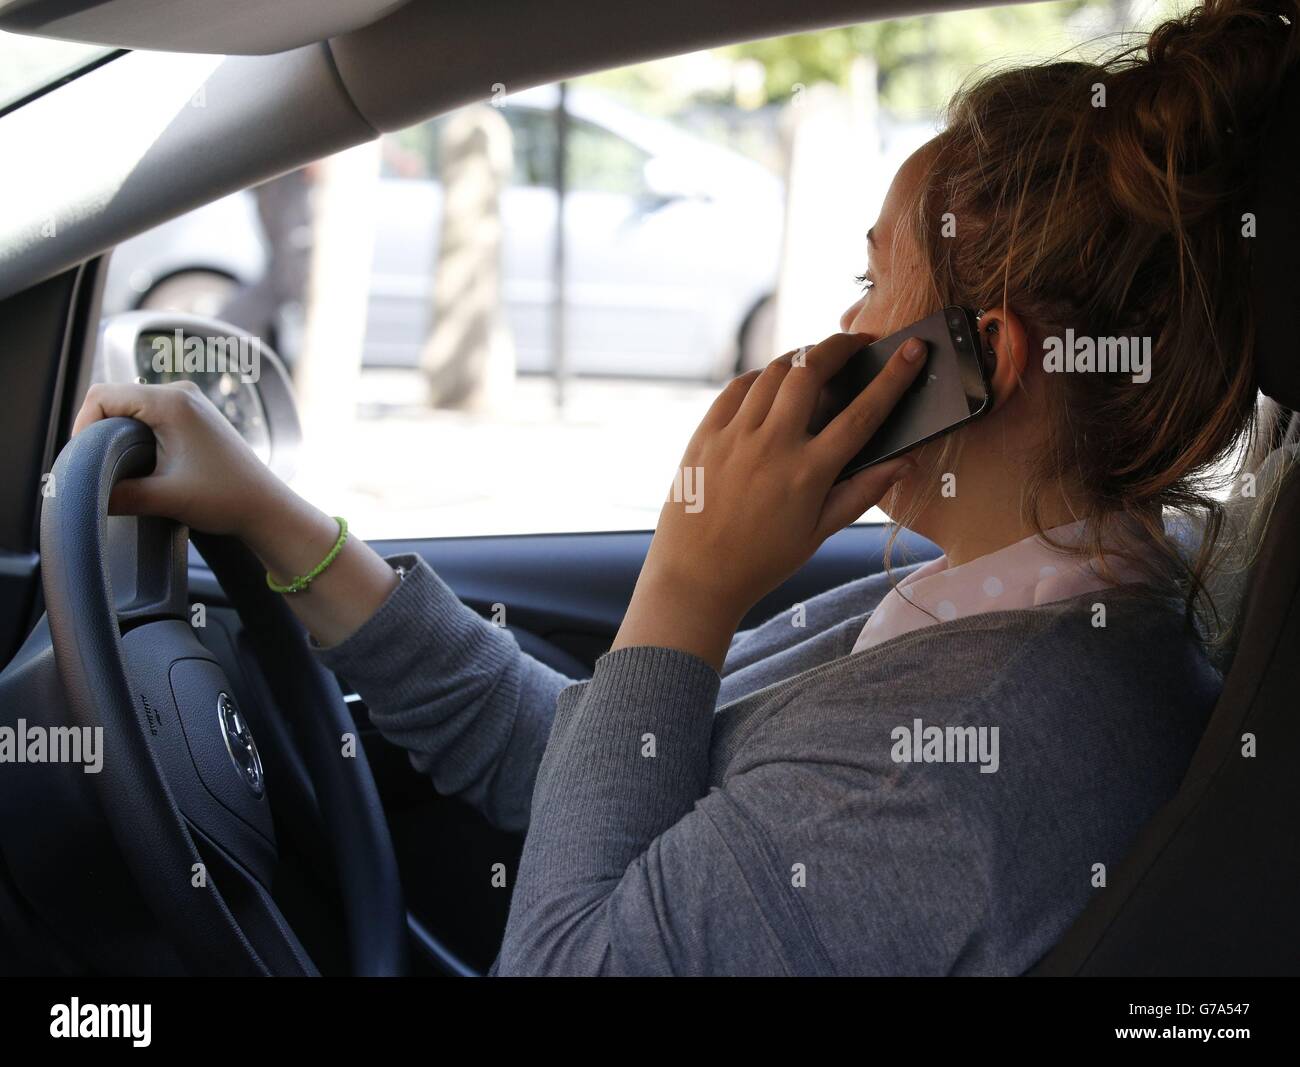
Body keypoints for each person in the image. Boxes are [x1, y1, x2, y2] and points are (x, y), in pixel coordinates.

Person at [72, 0, 1296, 975]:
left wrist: (690, 583)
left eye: (874, 281)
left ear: (988, 361)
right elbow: (584, 769)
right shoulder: (984, 601)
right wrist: (268, 515)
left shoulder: (974, 764)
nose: (842, 322)